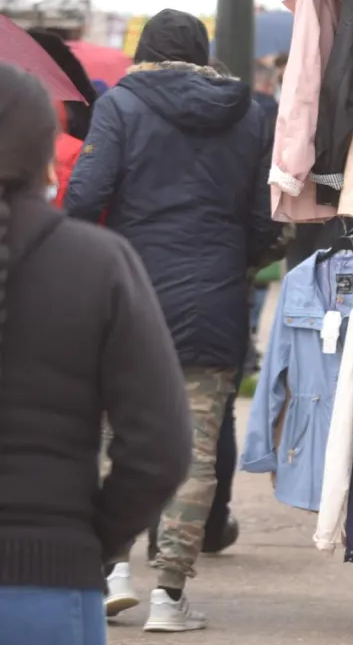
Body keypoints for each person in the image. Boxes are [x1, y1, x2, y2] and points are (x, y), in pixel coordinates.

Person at [64, 10, 277, 632]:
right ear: (203, 52)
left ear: (145, 51)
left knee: (113, 439)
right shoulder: (251, 112)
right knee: (198, 451)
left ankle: (111, 571)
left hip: (130, 296)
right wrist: (237, 262)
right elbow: (267, 218)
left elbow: (82, 198)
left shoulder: (121, 106)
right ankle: (169, 596)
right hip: (213, 297)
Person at [0, 66, 192, 644]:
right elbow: (160, 447)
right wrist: (90, 541)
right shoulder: (98, 263)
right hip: (49, 587)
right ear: (47, 159)